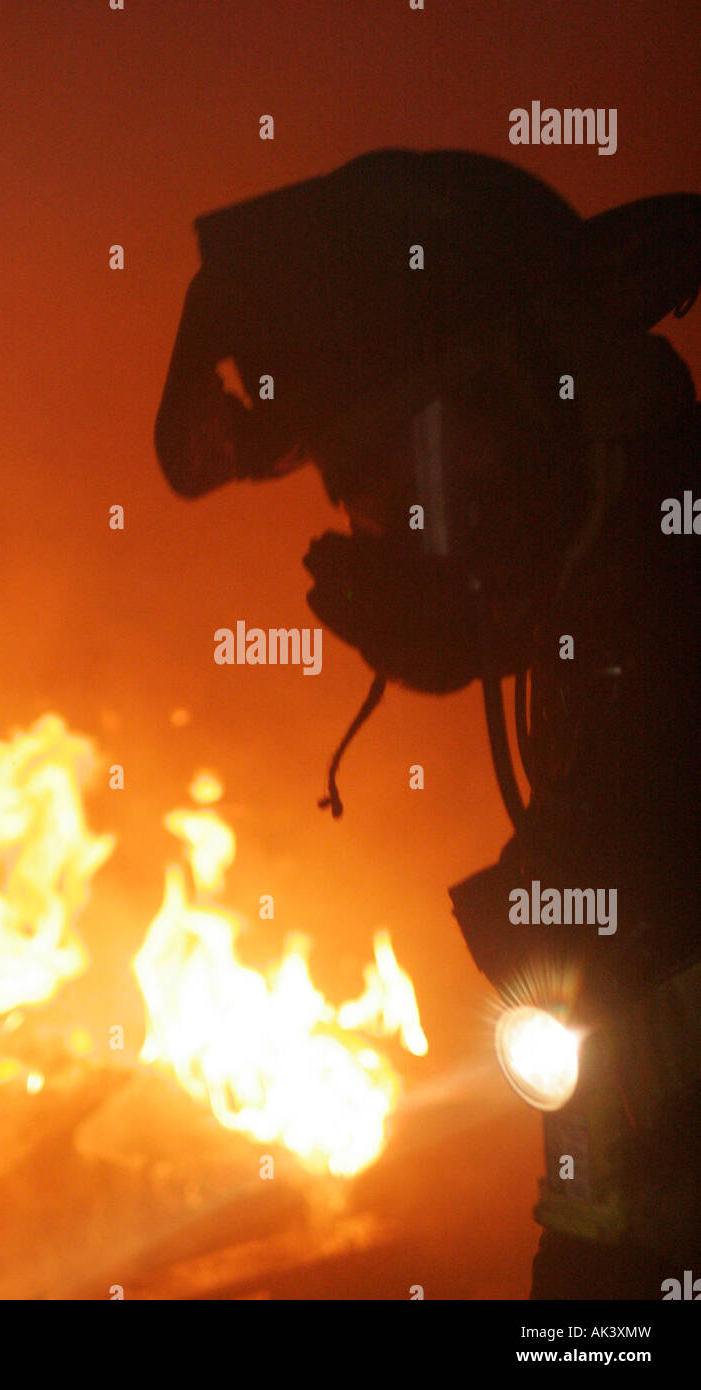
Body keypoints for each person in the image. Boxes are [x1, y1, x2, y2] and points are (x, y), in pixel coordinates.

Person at [155, 149, 701, 1298]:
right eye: (366, 499)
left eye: (419, 479)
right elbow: (615, 1183)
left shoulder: (657, 634)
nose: (396, 536)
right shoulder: (594, 650)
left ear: (548, 399)